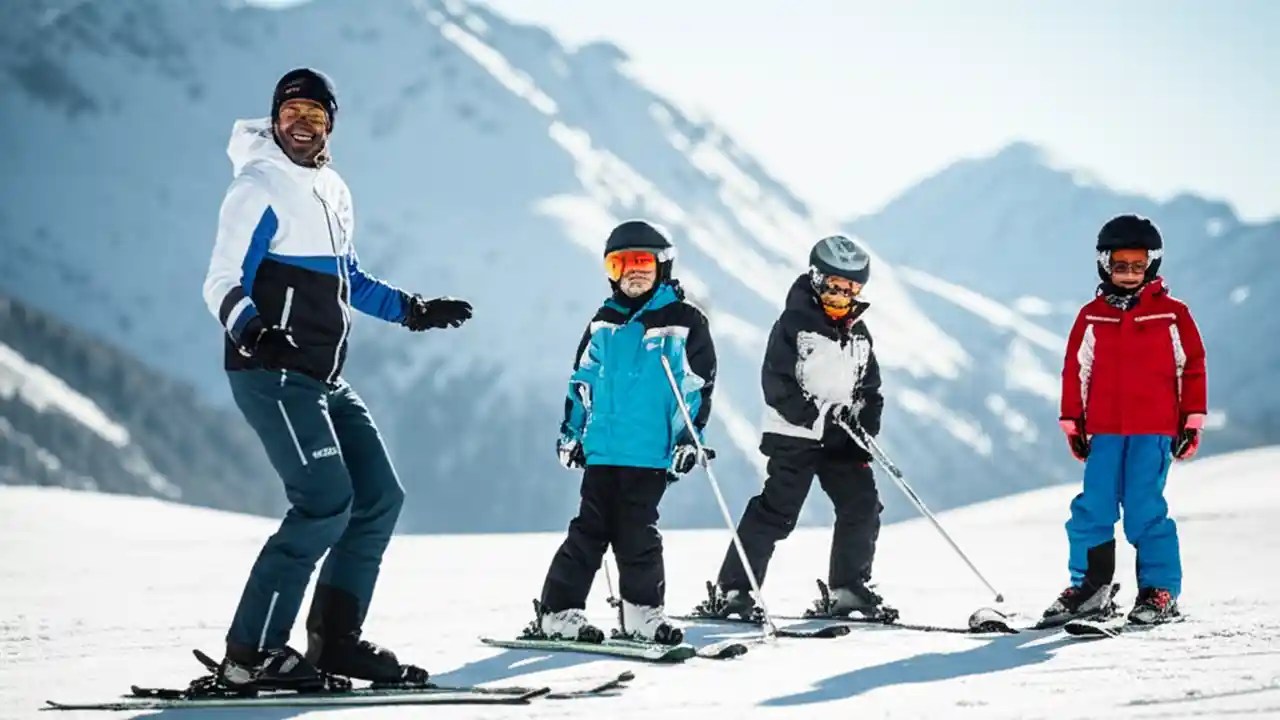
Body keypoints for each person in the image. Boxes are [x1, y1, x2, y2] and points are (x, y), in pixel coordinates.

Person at [201, 68, 473, 689]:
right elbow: (220, 279)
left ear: (331, 127)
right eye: (292, 113)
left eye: (315, 117)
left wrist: (413, 310)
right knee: (323, 502)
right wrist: (254, 330)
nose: (301, 126)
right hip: (270, 370)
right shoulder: (257, 187)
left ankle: (336, 642)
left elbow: (347, 278)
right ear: (274, 120)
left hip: (323, 377)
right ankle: (252, 655)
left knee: (379, 497)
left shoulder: (332, 190)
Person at [533, 219, 717, 646]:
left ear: (662, 267)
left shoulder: (685, 322)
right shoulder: (603, 322)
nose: (632, 273)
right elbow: (582, 380)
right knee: (588, 533)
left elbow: (696, 387)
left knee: (638, 534)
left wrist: (690, 439)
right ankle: (558, 612)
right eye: (620, 264)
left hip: (650, 452)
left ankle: (642, 615)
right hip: (603, 451)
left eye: (642, 263)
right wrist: (571, 432)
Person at [698, 234, 886, 620]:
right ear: (817, 280)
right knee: (777, 512)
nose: (842, 295)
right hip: (794, 435)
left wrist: (863, 423)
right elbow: (777, 383)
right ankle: (734, 589)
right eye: (835, 286)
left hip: (841, 440)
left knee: (862, 506)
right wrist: (814, 412)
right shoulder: (794, 325)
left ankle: (848, 588)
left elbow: (870, 387)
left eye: (851, 288)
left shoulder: (859, 333)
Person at [1044, 214, 1207, 627]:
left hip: (1154, 431)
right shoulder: (1092, 316)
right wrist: (1073, 423)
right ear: (1104, 264)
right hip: (1105, 431)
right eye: (1120, 265)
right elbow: (1075, 369)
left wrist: (1191, 421)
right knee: (1092, 508)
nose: (1129, 273)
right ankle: (1090, 588)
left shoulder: (1172, 314)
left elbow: (1192, 367)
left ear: (1151, 264)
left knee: (1144, 509)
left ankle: (1159, 590)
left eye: (1137, 265)